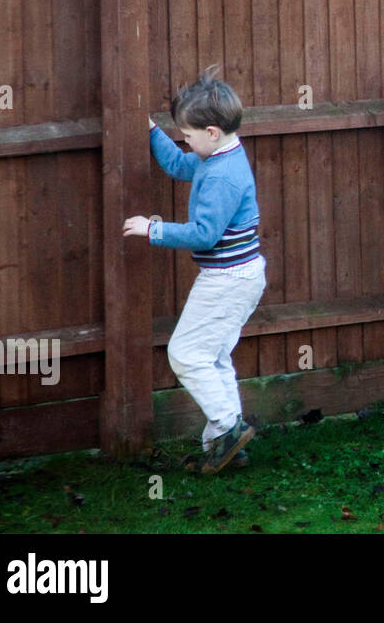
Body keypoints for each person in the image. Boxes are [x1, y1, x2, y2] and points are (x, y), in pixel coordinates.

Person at [123, 66, 266, 473]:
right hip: (238, 275)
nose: (184, 141)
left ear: (212, 133)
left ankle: (225, 428)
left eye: (187, 135)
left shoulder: (222, 175)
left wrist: (153, 229)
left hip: (228, 279)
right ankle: (225, 445)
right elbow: (178, 166)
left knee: (185, 354)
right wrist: (150, 130)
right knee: (214, 356)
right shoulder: (217, 156)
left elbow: (204, 235)